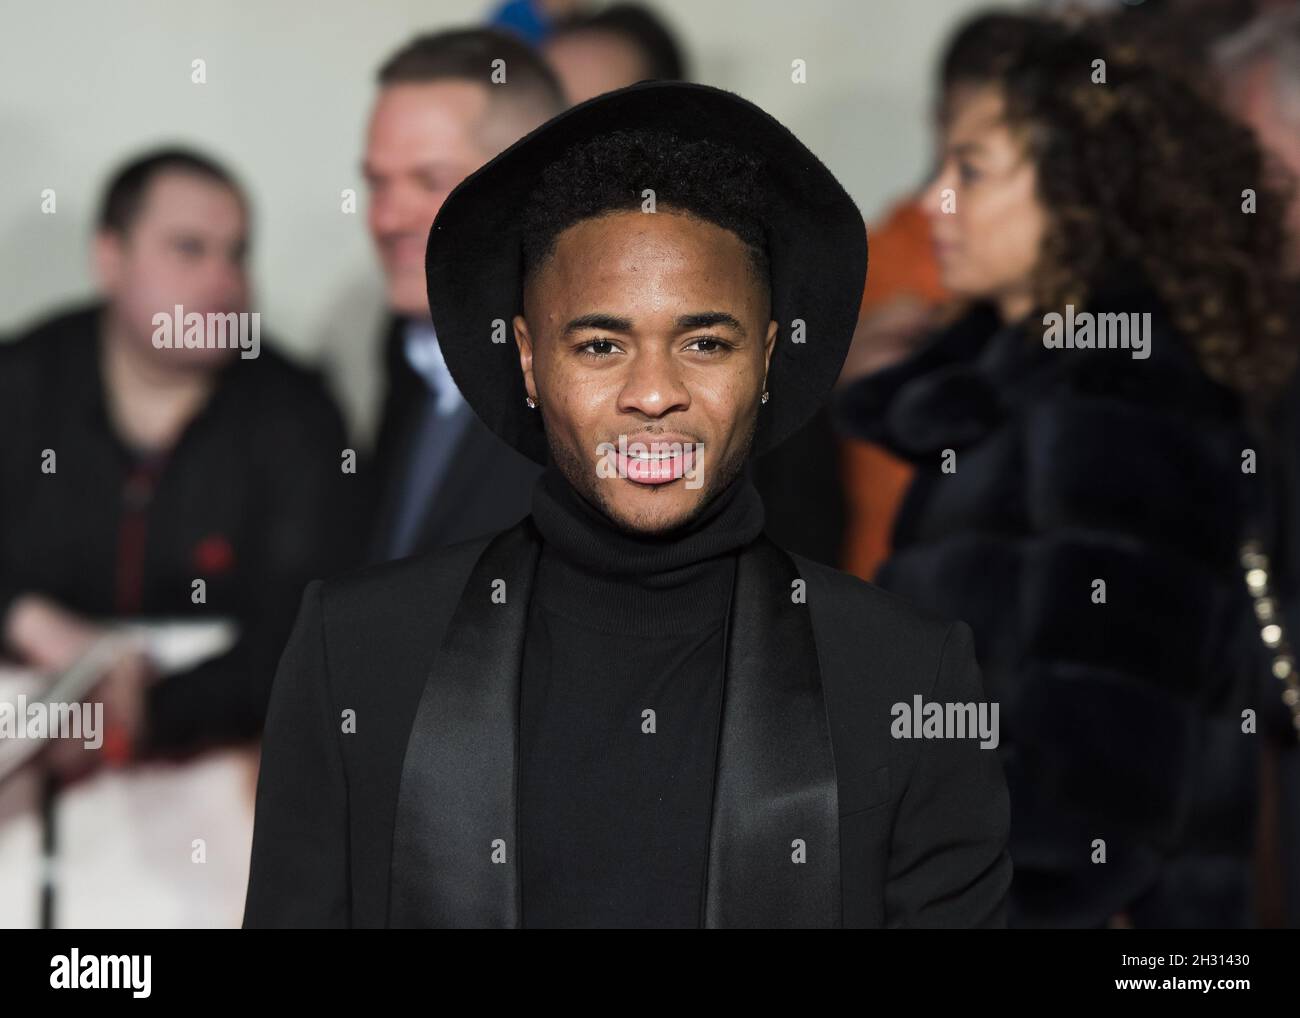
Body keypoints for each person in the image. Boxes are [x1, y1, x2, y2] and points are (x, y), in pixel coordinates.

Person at [243, 81, 1011, 929]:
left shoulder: (905, 677)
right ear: (530, 362)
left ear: (766, 359)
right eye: (601, 344)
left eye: (705, 343)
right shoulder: (357, 653)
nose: (654, 393)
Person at [834, 14, 1298, 927]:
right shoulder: (1010, 388)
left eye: (971, 171)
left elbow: (1096, 794)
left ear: (1082, 189)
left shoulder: (1118, 401)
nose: (933, 201)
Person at [0, 147, 355, 769]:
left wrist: (150, 712)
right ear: (109, 258)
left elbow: (312, 625)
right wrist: (23, 618)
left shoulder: (296, 413)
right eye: (189, 249)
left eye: (237, 253)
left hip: (218, 753)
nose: (223, 281)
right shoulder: (20, 384)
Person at [355, 28, 567, 563]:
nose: (386, 218)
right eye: (377, 183)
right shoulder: (406, 362)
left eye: (430, 180)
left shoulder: (589, 398)